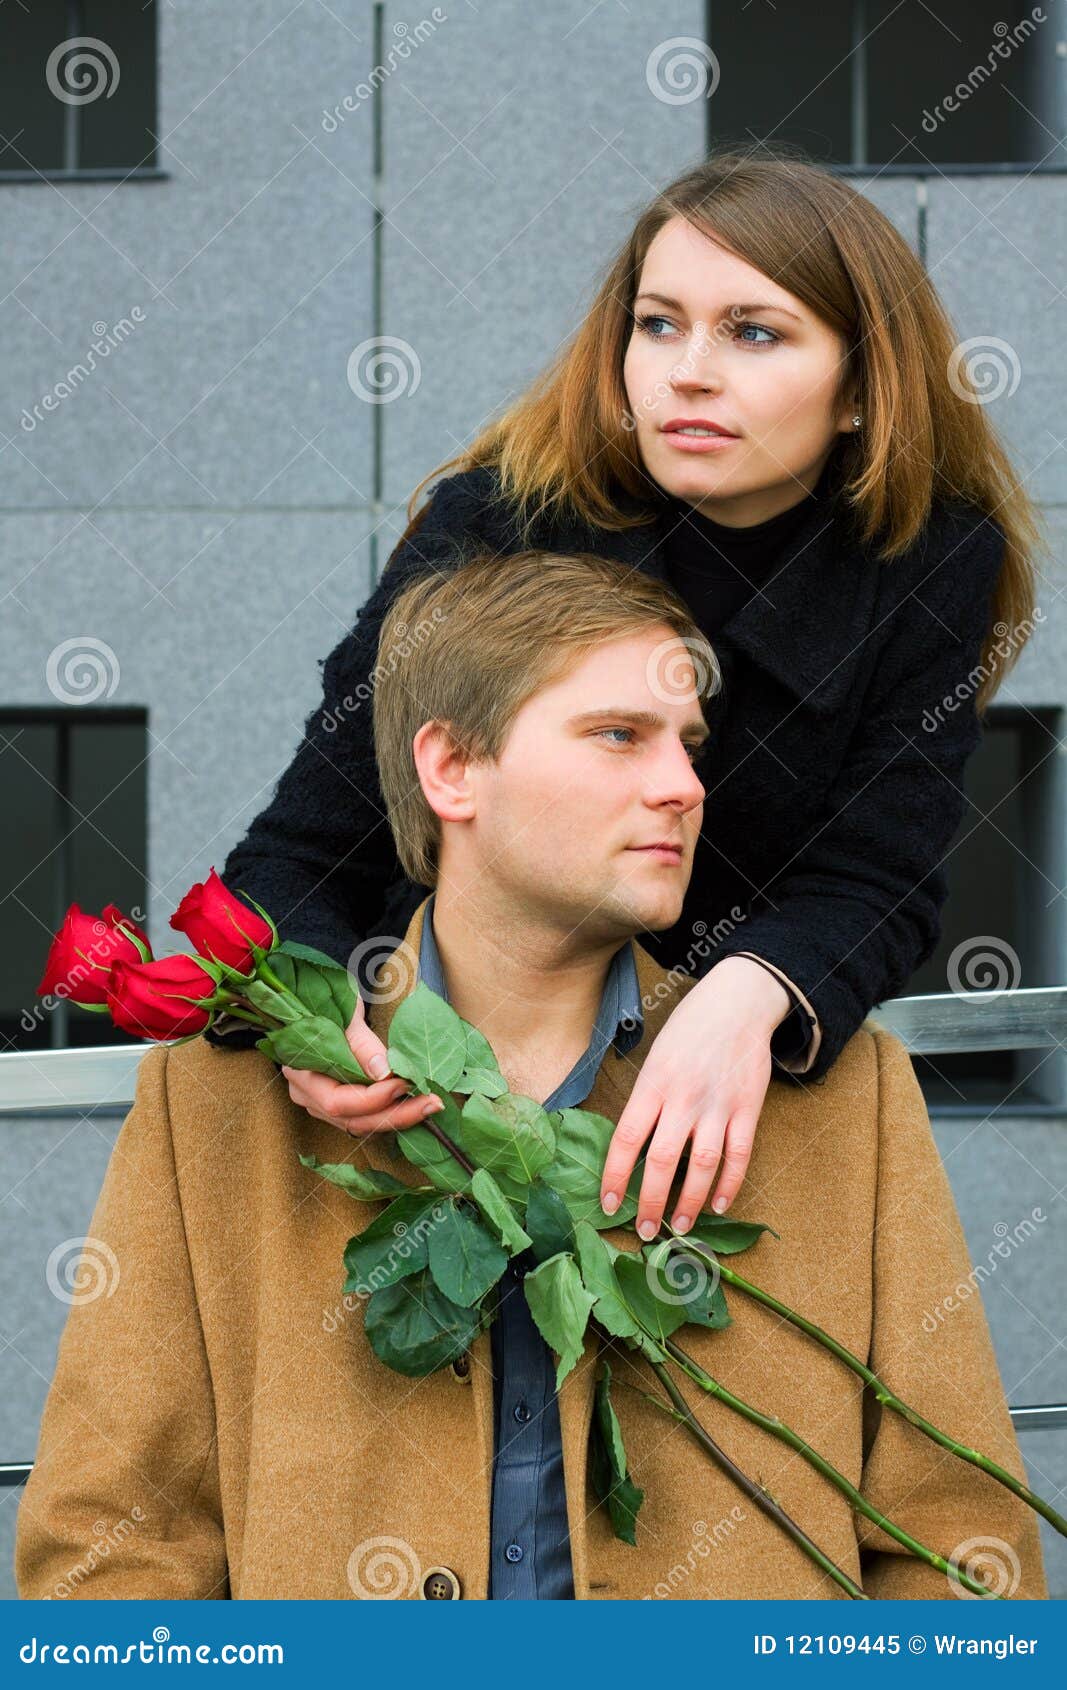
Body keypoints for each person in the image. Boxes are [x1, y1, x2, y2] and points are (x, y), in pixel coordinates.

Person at [15, 550, 1047, 1601]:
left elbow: (954, 1542)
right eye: (617, 736)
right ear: (450, 767)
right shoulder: (218, 1100)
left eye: (688, 747)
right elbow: (110, 1545)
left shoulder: (837, 1092)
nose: (684, 786)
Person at [207, 148, 1046, 1233]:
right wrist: (315, 1018)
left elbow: (878, 874)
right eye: (656, 324)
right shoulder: (495, 520)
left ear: (858, 388)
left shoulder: (928, 559)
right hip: (434, 1105)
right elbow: (302, 851)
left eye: (753, 331)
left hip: (723, 1119)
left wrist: (748, 995)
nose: (685, 371)